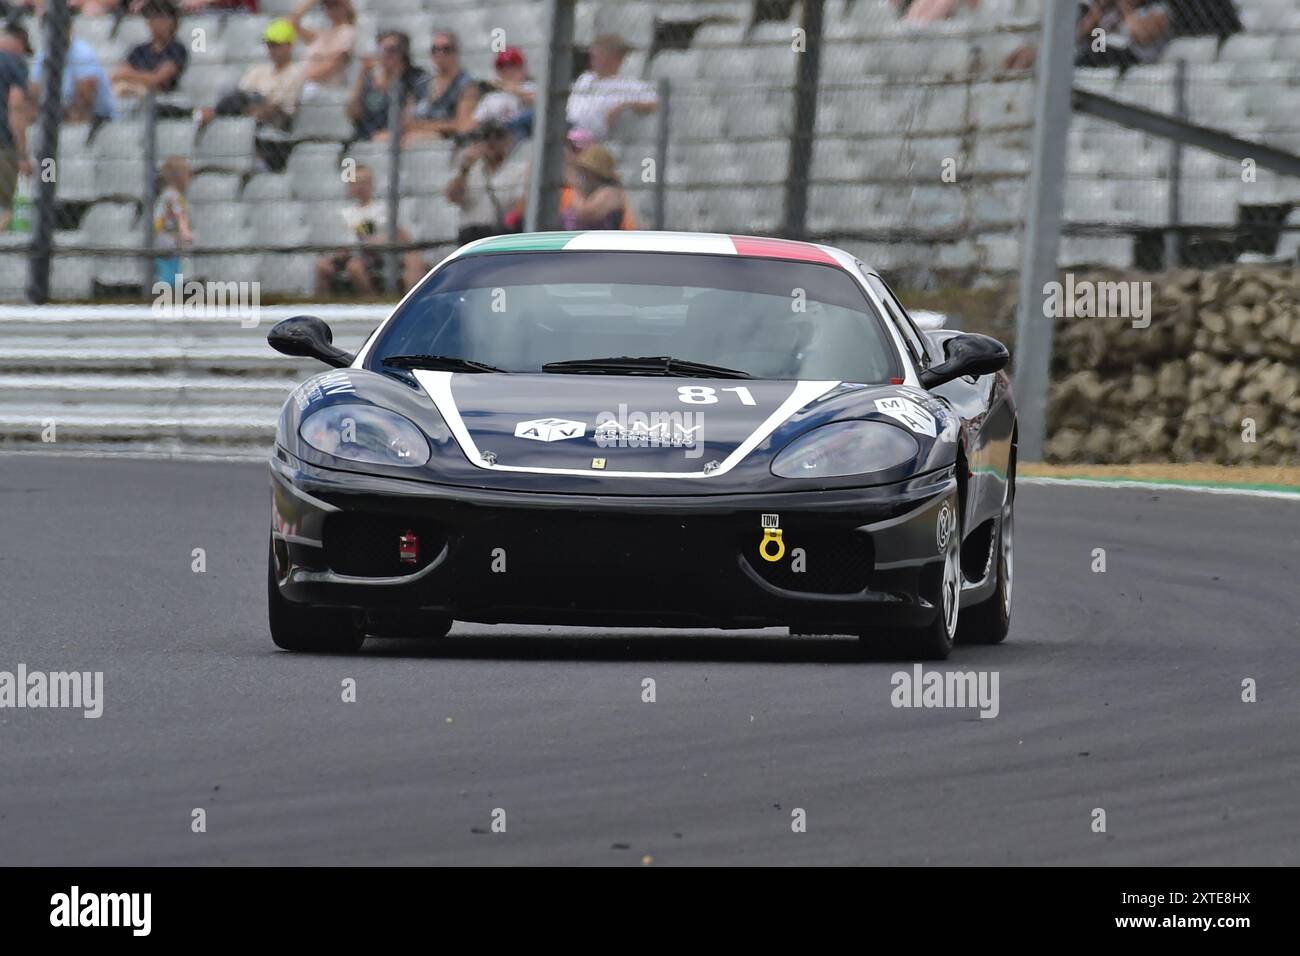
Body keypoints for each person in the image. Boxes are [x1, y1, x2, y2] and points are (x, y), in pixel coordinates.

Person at [316, 164, 424, 296]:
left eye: (364, 182)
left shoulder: (383, 209)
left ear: (372, 184)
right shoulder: (344, 213)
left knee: (355, 267)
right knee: (322, 266)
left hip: (377, 254)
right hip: (348, 253)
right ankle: (325, 306)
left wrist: (380, 241)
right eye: (356, 183)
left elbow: (403, 237)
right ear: (350, 187)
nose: (360, 187)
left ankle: (371, 302)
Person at [199, 18, 301, 133]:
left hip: (276, 122)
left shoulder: (295, 73)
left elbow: (278, 106)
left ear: (289, 46)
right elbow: (241, 93)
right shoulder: (259, 69)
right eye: (270, 45)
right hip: (249, 113)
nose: (272, 50)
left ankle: (210, 114)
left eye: (277, 45)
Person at [445, 119, 527, 244]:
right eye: (486, 137)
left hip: (501, 234)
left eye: (498, 137)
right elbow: (453, 197)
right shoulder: (468, 170)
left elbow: (520, 206)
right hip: (470, 234)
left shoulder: (518, 170)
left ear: (508, 140)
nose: (491, 142)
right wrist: (464, 170)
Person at [565, 34, 656, 141]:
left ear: (615, 59)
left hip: (592, 138)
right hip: (567, 128)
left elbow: (654, 104)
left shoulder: (629, 85)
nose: (592, 61)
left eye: (597, 57)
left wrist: (625, 105)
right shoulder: (585, 78)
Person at [347, 30, 428, 142]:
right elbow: (353, 113)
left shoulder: (415, 79)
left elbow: (411, 117)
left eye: (392, 50)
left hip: (395, 139)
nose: (386, 54)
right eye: (382, 49)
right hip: (366, 138)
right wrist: (362, 76)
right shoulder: (370, 79)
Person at [31, 27, 115, 124]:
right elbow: (34, 88)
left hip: (97, 115)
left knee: (79, 107)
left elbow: (87, 94)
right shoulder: (43, 54)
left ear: (68, 31)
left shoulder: (83, 53)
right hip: (59, 111)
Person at [404, 30, 477, 142]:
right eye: (435, 49)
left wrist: (424, 127)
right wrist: (440, 126)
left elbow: (462, 125)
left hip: (448, 143)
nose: (440, 53)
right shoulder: (421, 84)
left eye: (446, 49)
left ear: (456, 52)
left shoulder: (466, 85)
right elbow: (407, 122)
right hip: (416, 140)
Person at [112, 0, 187, 103]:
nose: (154, 22)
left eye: (159, 17)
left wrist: (132, 76)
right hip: (131, 93)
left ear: (172, 21)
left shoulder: (176, 49)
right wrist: (146, 78)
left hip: (162, 100)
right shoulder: (139, 49)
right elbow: (118, 75)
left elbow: (159, 79)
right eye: (151, 17)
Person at [0, 21, 33, 232]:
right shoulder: (13, 62)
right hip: (3, 145)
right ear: (19, 43)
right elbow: (16, 106)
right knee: (4, 209)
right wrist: (22, 156)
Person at [288, 0, 355, 95]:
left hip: (323, 91)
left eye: (335, 5)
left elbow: (332, 65)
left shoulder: (347, 32)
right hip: (306, 87)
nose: (331, 10)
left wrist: (301, 77)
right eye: (327, 6)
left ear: (345, 7)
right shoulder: (322, 34)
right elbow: (292, 22)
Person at [561, 144, 631, 231]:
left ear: (596, 173)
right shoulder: (588, 191)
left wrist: (576, 186)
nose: (583, 175)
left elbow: (585, 214)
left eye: (585, 171)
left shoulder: (610, 192)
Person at [154, 155, 193, 287]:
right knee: (170, 273)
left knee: (170, 270)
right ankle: (168, 296)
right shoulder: (172, 196)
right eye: (188, 175)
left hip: (166, 239)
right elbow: (179, 216)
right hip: (167, 241)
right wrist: (185, 233)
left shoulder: (168, 194)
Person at [473, 46, 534, 129]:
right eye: (502, 68)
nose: (508, 72)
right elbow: (476, 123)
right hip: (498, 136)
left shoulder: (531, 87)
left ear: (523, 68)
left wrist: (512, 89)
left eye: (513, 66)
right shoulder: (491, 98)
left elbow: (542, 104)